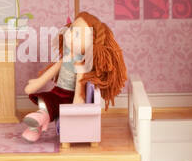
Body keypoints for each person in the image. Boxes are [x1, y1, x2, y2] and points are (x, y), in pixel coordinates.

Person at [20, 11, 125, 142]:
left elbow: (80, 83)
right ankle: (36, 126)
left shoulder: (82, 63)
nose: (69, 35)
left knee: (48, 106)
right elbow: (53, 70)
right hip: (57, 92)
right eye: (70, 30)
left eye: (76, 34)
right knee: (45, 100)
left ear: (91, 42)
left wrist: (78, 101)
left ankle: (39, 121)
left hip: (68, 97)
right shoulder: (67, 57)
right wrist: (38, 82)